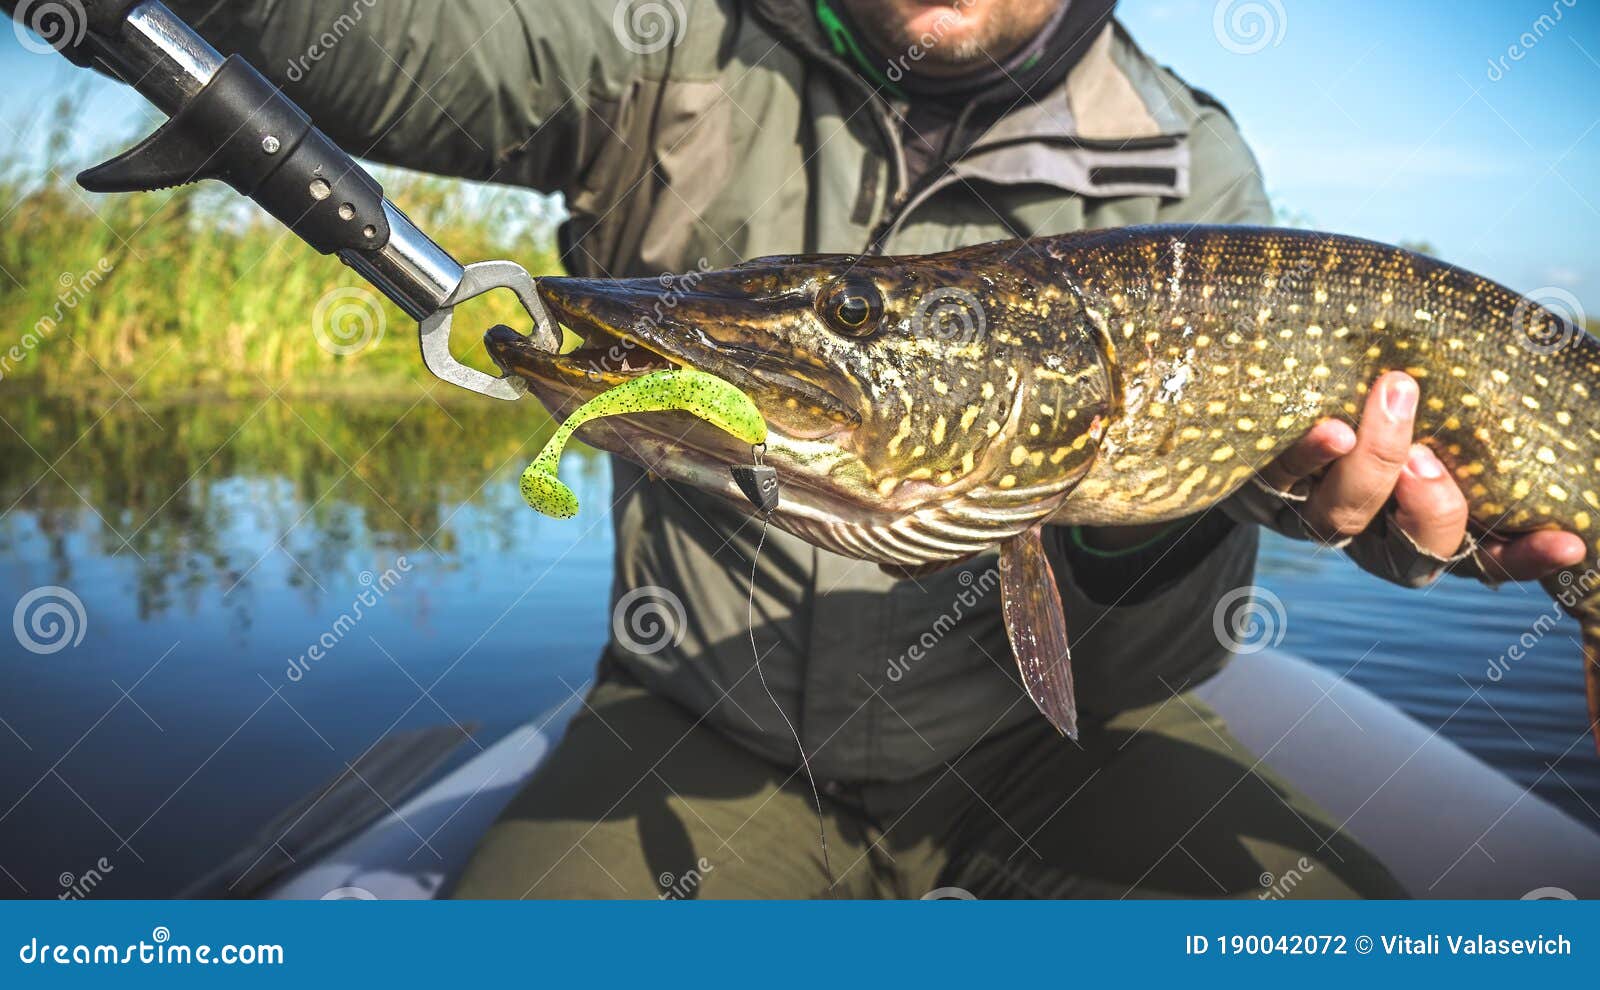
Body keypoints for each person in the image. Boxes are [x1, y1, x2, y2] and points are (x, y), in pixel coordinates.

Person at [167, 0, 1584, 898]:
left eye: (855, 315)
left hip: (1061, 737)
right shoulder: (669, 38)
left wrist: (1160, 527)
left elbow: (1158, 653)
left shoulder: (1188, 160)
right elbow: (369, 34)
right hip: (700, 722)